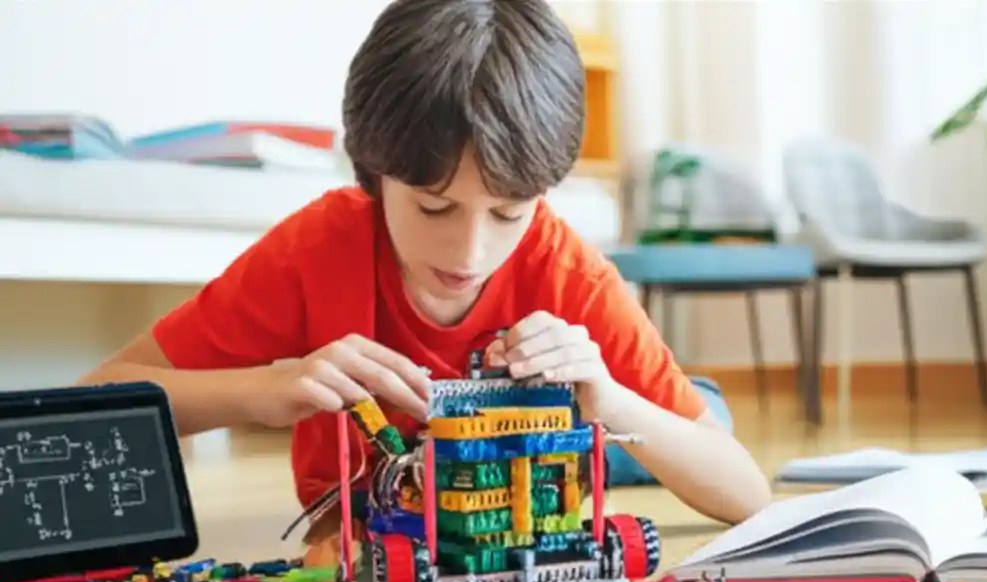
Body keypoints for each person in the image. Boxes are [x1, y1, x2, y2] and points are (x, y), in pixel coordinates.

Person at [78, 0, 770, 527]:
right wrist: (266, 390)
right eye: (434, 208)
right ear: (376, 174)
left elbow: (747, 494)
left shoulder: (566, 272)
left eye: (507, 213)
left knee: (678, 420)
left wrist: (610, 400)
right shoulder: (317, 250)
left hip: (581, 434)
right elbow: (98, 398)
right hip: (406, 514)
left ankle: (678, 402)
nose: (469, 253)